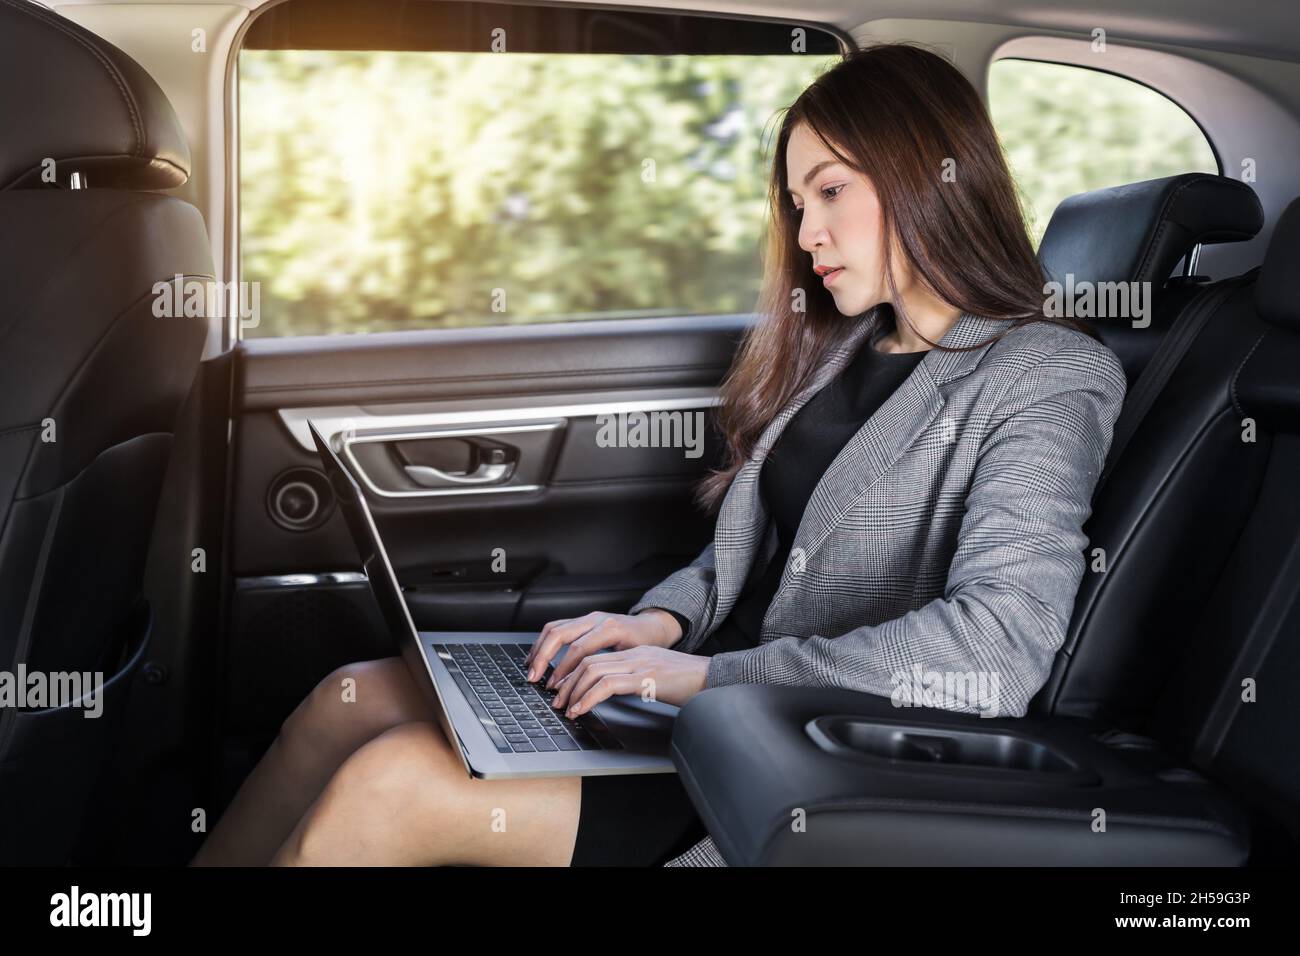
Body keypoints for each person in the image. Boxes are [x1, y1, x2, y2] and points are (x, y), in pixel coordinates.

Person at [191, 43, 1126, 867]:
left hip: (797, 759)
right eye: (798, 204)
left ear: (934, 175)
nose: (806, 237)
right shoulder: (851, 347)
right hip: (702, 702)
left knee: (392, 786)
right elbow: (741, 562)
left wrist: (711, 678)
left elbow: (997, 652)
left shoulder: (1046, 374)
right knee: (349, 696)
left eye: (832, 191)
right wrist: (662, 630)